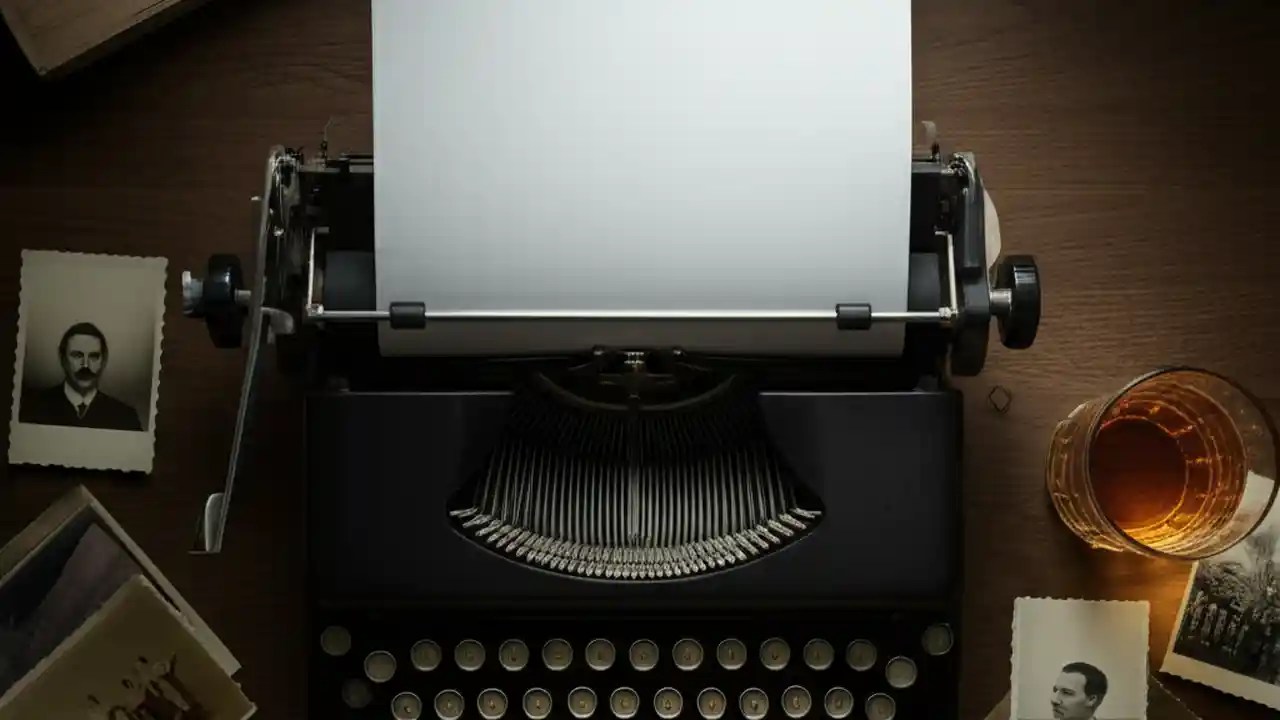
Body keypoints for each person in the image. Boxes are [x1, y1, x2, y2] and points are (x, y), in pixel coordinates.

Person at [18, 322, 141, 431]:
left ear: (103, 361)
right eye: (77, 355)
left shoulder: (125, 417)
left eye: (93, 356)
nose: (86, 365)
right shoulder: (33, 409)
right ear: (62, 358)